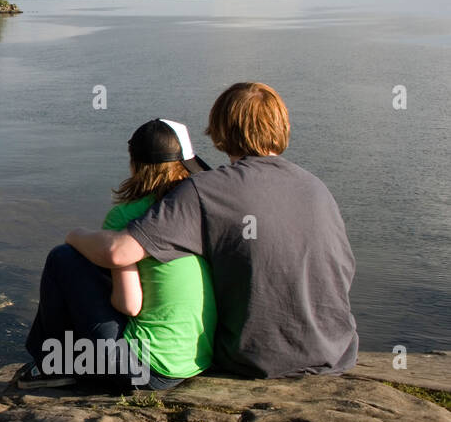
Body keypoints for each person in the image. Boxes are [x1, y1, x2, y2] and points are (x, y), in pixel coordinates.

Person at [64, 82, 358, 379]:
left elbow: (120, 252)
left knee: (67, 261)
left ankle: (60, 362)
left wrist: (74, 235)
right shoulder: (315, 187)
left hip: (256, 359)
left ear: (219, 130)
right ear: (282, 126)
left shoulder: (206, 190)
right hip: (334, 353)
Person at [14, 119, 217, 390]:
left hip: (146, 370)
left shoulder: (125, 217)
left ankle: (55, 365)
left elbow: (129, 304)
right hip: (195, 361)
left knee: (63, 258)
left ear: (134, 163)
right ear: (184, 166)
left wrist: (75, 236)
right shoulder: (191, 213)